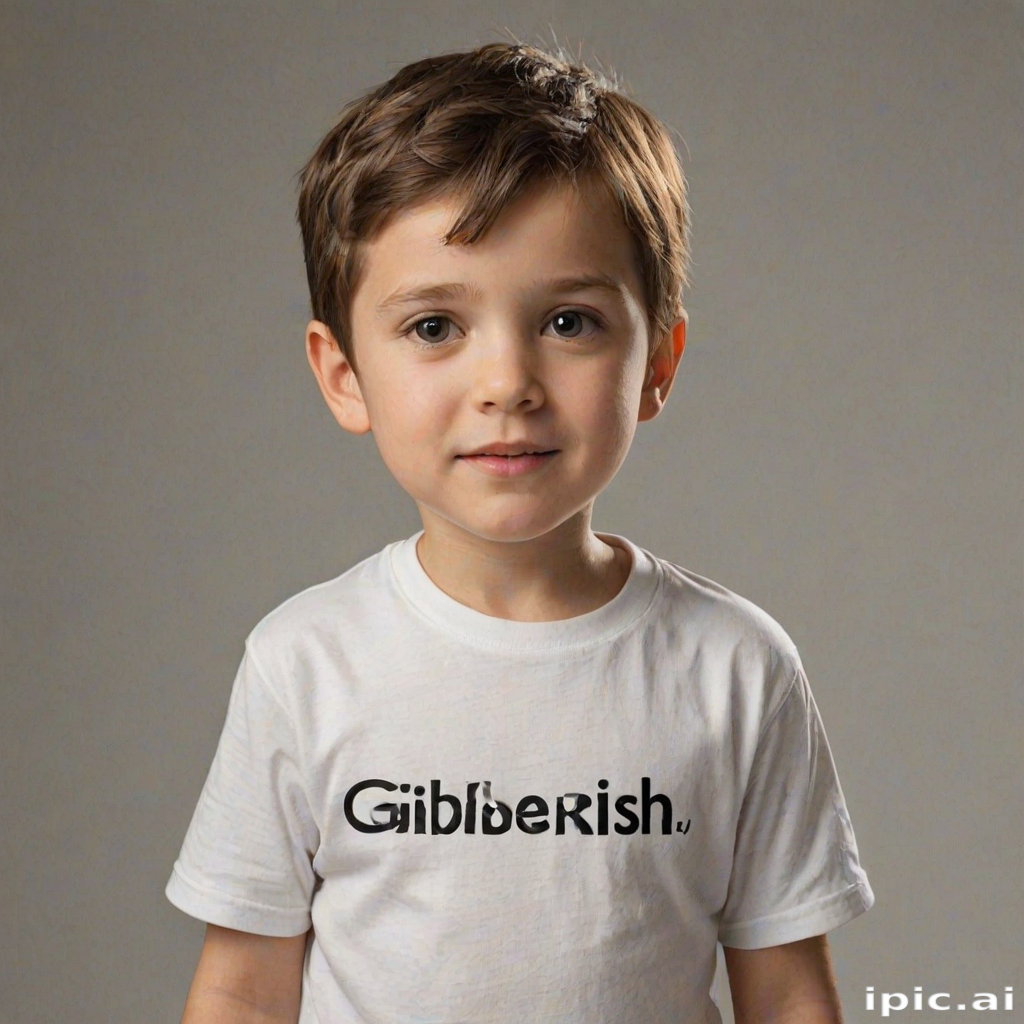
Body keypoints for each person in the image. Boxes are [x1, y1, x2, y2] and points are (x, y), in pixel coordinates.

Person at [166, 40, 874, 1024]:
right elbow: (242, 988)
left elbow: (790, 993)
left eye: (570, 321)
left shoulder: (735, 667)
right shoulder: (303, 663)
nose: (506, 383)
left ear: (657, 361)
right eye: (433, 327)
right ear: (342, 373)